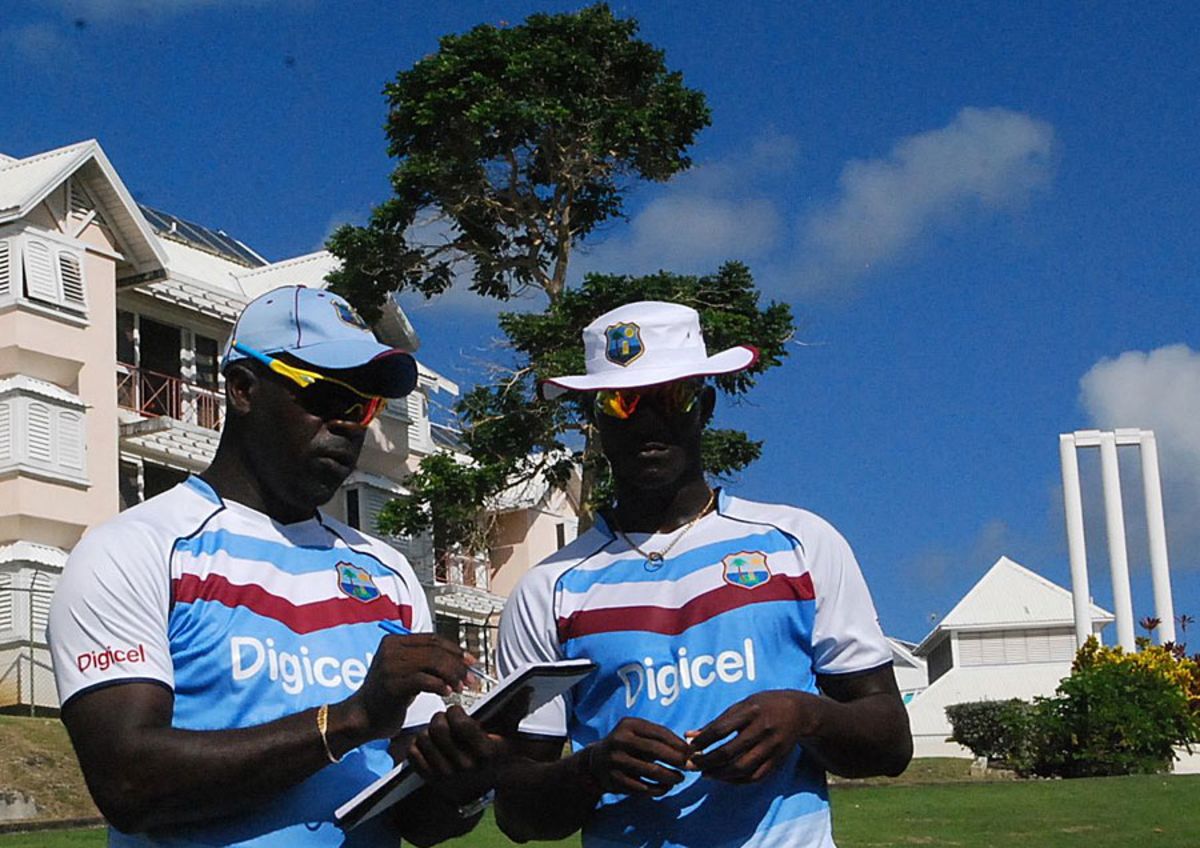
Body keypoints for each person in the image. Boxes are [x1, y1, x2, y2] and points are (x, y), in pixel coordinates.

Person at [48, 285, 505, 847]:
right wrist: (352, 718)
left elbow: (418, 824)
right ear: (242, 388)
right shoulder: (136, 548)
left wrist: (465, 783)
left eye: (363, 407)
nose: (348, 425)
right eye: (329, 395)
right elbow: (127, 784)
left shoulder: (386, 573)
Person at [493, 301, 912, 848]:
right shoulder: (547, 590)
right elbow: (520, 817)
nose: (647, 421)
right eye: (620, 403)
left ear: (705, 405)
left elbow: (890, 744)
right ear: (593, 421)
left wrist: (804, 715)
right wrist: (593, 768)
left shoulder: (799, 543)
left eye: (671, 396)